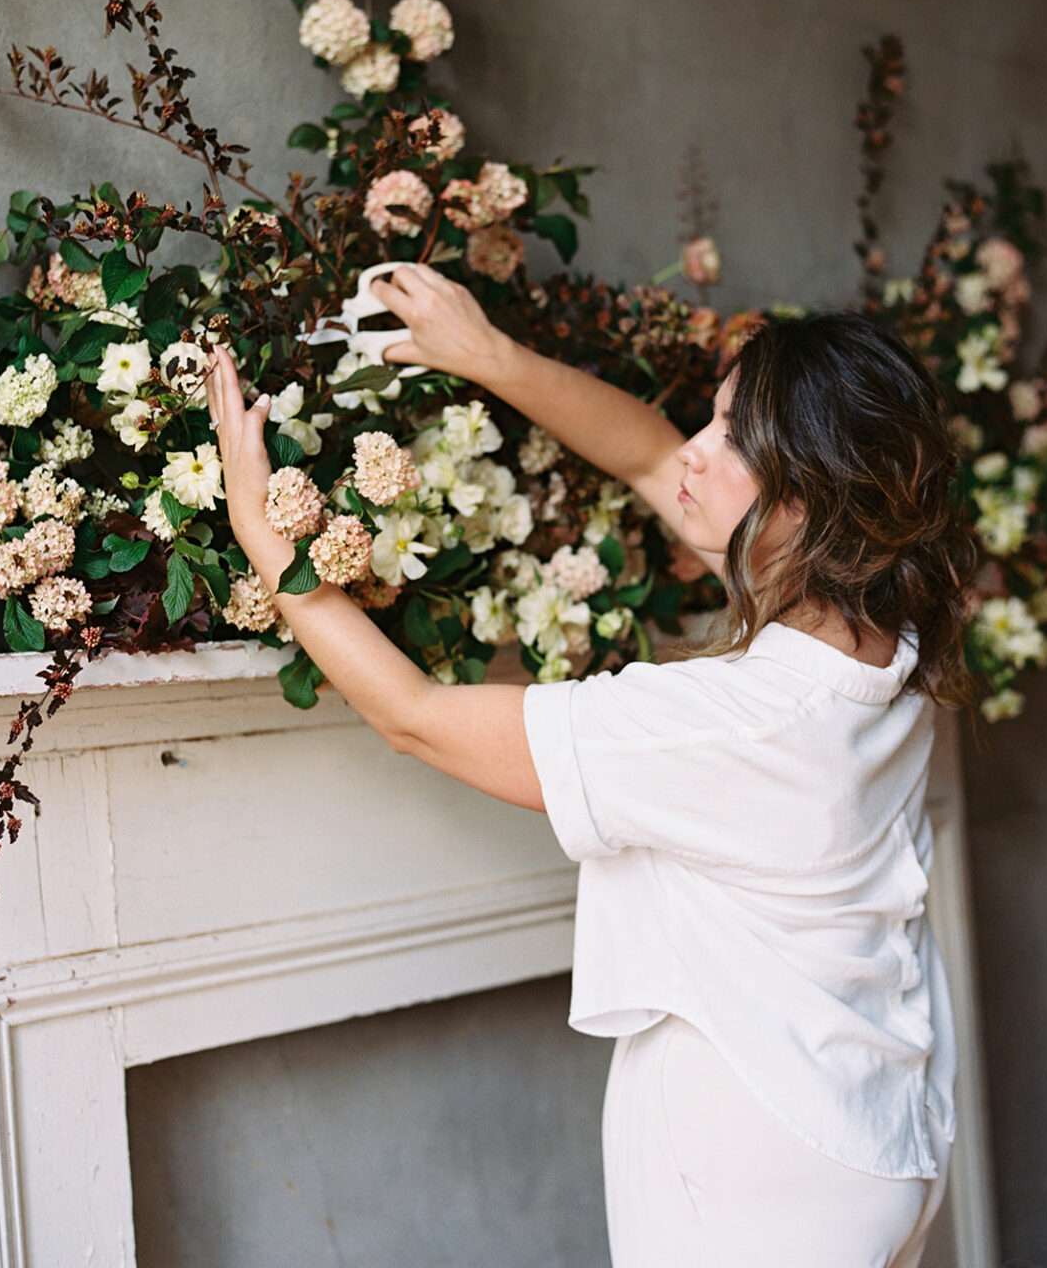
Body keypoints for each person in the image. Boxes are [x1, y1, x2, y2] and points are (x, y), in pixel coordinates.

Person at [206, 262, 974, 1268]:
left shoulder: (735, 721)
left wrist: (265, 538)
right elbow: (651, 457)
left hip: (761, 1166)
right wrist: (488, 355)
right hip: (881, 1133)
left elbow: (417, 718)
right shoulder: (887, 634)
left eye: (734, 438)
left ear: (805, 502)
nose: (695, 452)